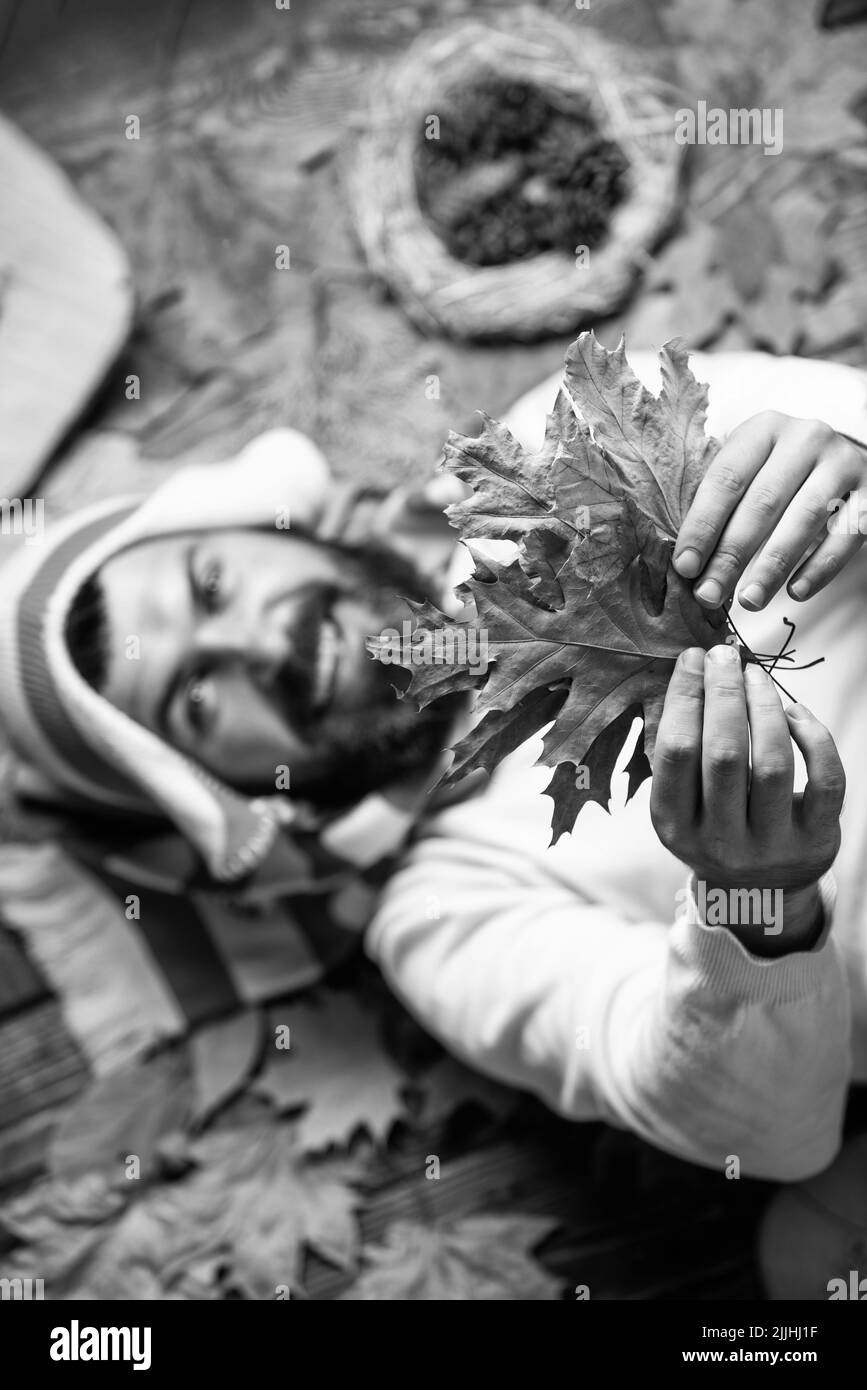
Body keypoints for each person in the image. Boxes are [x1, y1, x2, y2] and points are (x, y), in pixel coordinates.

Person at [1, 347, 866, 1189]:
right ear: (211, 791)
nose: (261, 645)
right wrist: (757, 899)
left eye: (213, 582)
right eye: (194, 699)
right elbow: (772, 1132)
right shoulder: (443, 917)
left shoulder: (546, 461)